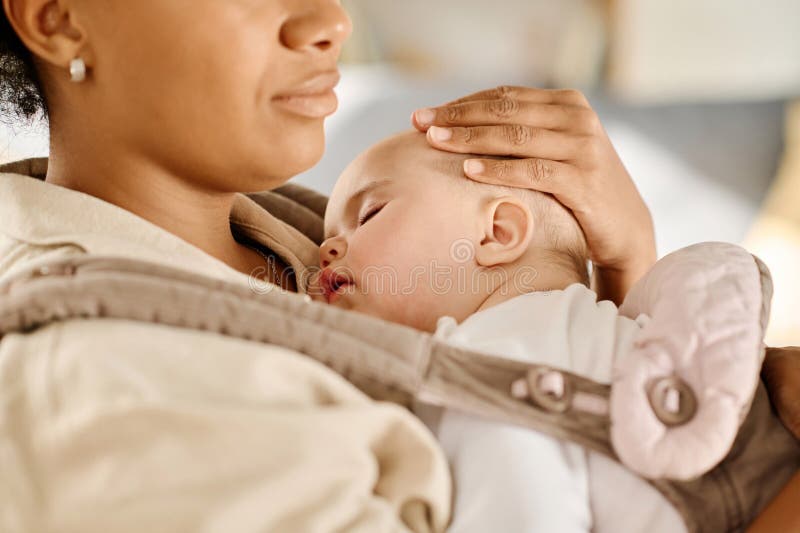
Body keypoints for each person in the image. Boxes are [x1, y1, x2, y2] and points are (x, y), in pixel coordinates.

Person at [0, 1, 797, 531]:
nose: (330, 20)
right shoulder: (98, 386)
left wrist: (623, 279)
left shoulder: (296, 236)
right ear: (59, 16)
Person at [314, 130, 786, 533]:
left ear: (497, 233)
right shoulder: (616, 329)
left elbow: (522, 515)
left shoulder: (488, 360)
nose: (328, 248)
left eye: (370, 214)